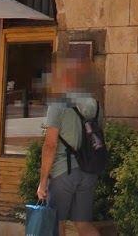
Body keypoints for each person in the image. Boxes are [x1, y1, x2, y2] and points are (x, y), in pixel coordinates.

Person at [37, 52, 101, 224]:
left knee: (57, 223)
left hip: (63, 171)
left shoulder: (58, 104)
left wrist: (43, 182)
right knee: (83, 225)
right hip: (89, 170)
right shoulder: (94, 104)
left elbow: (50, 145)